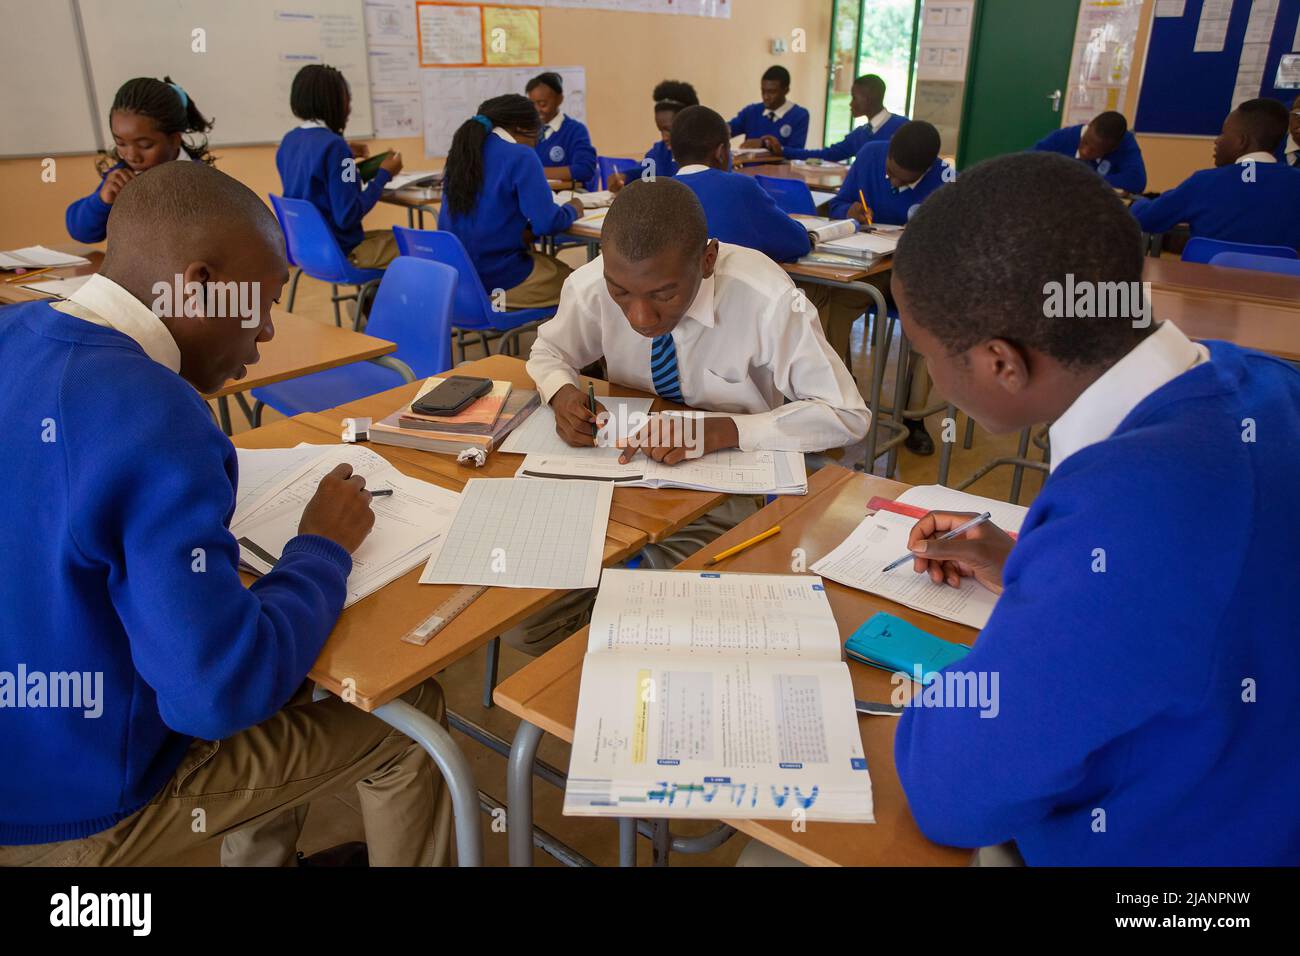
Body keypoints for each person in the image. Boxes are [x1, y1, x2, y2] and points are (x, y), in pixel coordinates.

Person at [0, 161, 450, 867]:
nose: (266, 331)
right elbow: (216, 696)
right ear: (201, 285)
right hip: (79, 807)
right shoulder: (156, 412)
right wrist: (320, 551)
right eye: (263, 304)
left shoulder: (16, 329)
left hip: (26, 745)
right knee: (412, 716)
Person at [890, 151, 1300, 865]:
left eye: (926, 352)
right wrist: (1033, 566)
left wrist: (1053, 601)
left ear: (1000, 363)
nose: (928, 374)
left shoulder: (1135, 509)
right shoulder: (1257, 382)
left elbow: (947, 793)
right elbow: (1208, 596)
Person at [510, 178, 869, 654]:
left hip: (723, 484)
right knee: (526, 625)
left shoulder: (765, 298)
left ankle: (638, 645)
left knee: (674, 612)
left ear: (707, 259)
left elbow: (847, 414)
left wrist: (725, 428)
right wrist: (560, 394)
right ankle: (611, 636)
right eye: (621, 293)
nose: (640, 316)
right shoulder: (594, 283)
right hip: (616, 475)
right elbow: (549, 350)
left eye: (664, 294)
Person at [817, 121, 953, 454]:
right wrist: (847, 211)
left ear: (925, 170)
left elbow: (952, 238)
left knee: (929, 320)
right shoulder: (870, 155)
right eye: (889, 172)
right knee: (828, 302)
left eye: (901, 179)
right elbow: (838, 205)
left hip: (917, 275)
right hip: (868, 267)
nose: (891, 181)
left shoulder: (946, 179)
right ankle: (832, 399)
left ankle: (914, 417)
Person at [438, 94, 584, 309]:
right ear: (522, 128)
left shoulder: (464, 154)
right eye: (539, 134)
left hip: (459, 284)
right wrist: (573, 209)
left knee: (547, 265)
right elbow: (547, 223)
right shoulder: (521, 155)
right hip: (499, 281)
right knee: (583, 286)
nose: (536, 144)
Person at [276, 64, 404, 269]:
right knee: (412, 246)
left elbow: (322, 181)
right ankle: (374, 300)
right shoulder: (336, 148)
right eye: (348, 100)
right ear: (334, 103)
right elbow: (348, 215)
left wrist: (346, 157)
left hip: (307, 250)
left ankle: (368, 300)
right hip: (342, 252)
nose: (350, 108)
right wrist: (383, 175)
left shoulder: (290, 141)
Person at [1131, 98, 1300, 250]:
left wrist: (1139, 203)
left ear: (1242, 141)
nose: (1217, 140)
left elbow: (1145, 219)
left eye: (1224, 133)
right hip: (1277, 283)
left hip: (1204, 282)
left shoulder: (1205, 182)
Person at [66, 76, 214, 243]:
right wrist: (102, 201)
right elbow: (82, 232)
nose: (131, 155)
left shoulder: (202, 180)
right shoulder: (122, 176)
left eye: (145, 145)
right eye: (120, 143)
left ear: (174, 139)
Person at [670, 105, 811, 263]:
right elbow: (797, 243)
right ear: (721, 153)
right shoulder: (740, 188)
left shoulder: (659, 194)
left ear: (674, 153)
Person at [763, 74, 906, 162]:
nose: (850, 103)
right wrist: (784, 150)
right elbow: (828, 154)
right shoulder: (860, 134)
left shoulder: (903, 128)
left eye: (854, 98)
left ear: (868, 99)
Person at [609, 79, 698, 191]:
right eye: (660, 130)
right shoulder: (660, 151)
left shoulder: (703, 155)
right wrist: (624, 177)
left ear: (687, 123)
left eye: (669, 130)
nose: (664, 137)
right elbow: (644, 172)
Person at [1032, 110, 1147, 193]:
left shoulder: (1125, 145)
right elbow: (1027, 163)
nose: (1085, 151)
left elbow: (1137, 182)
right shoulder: (1062, 138)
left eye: (1094, 150)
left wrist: (1087, 179)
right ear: (1089, 126)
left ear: (1112, 149)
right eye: (1085, 142)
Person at [525, 71, 597, 186]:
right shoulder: (527, 131)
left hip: (566, 193)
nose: (536, 109)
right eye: (531, 104)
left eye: (542, 104)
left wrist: (538, 172)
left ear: (559, 99)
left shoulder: (575, 130)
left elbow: (585, 169)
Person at [729, 65, 809, 150]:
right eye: (763, 91)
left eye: (772, 92)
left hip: (781, 164)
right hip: (749, 163)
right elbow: (728, 130)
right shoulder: (751, 111)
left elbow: (796, 152)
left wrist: (764, 143)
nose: (765, 96)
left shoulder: (799, 115)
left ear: (786, 90)